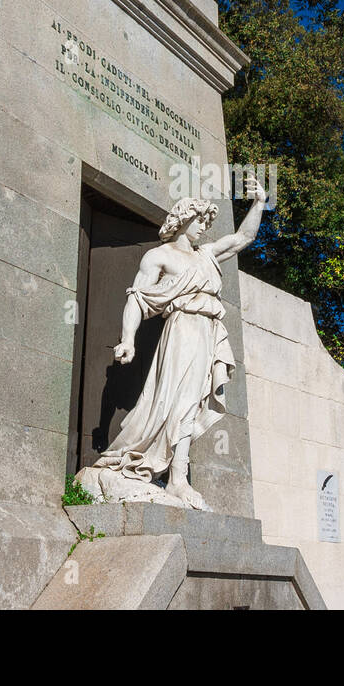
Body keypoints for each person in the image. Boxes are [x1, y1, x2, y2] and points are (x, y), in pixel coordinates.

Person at [78, 176, 268, 509]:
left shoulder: (207, 254)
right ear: (183, 219)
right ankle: (173, 477)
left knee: (194, 402)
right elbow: (137, 299)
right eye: (199, 221)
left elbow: (242, 238)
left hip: (209, 333)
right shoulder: (158, 257)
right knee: (176, 401)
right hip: (182, 331)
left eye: (207, 223)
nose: (203, 228)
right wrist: (128, 340)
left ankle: (178, 476)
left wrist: (259, 203)